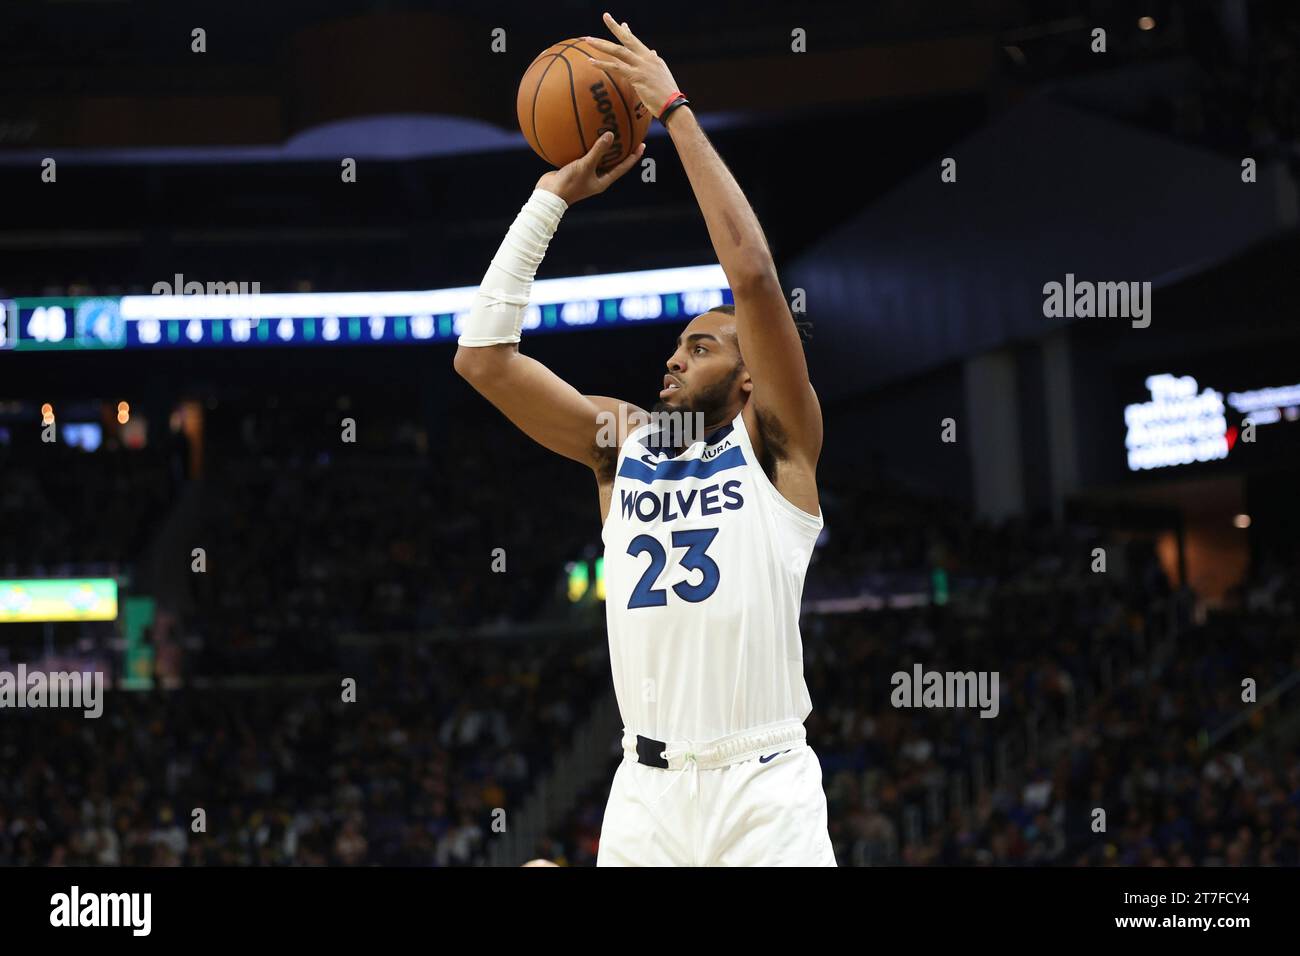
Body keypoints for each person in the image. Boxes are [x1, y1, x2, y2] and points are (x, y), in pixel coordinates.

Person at [455, 13, 834, 866]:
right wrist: (550, 198)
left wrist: (674, 110)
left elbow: (752, 273)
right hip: (647, 791)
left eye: (700, 345)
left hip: (763, 787)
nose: (673, 358)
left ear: (749, 380)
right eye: (675, 345)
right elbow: (482, 359)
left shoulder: (778, 446)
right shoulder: (622, 442)